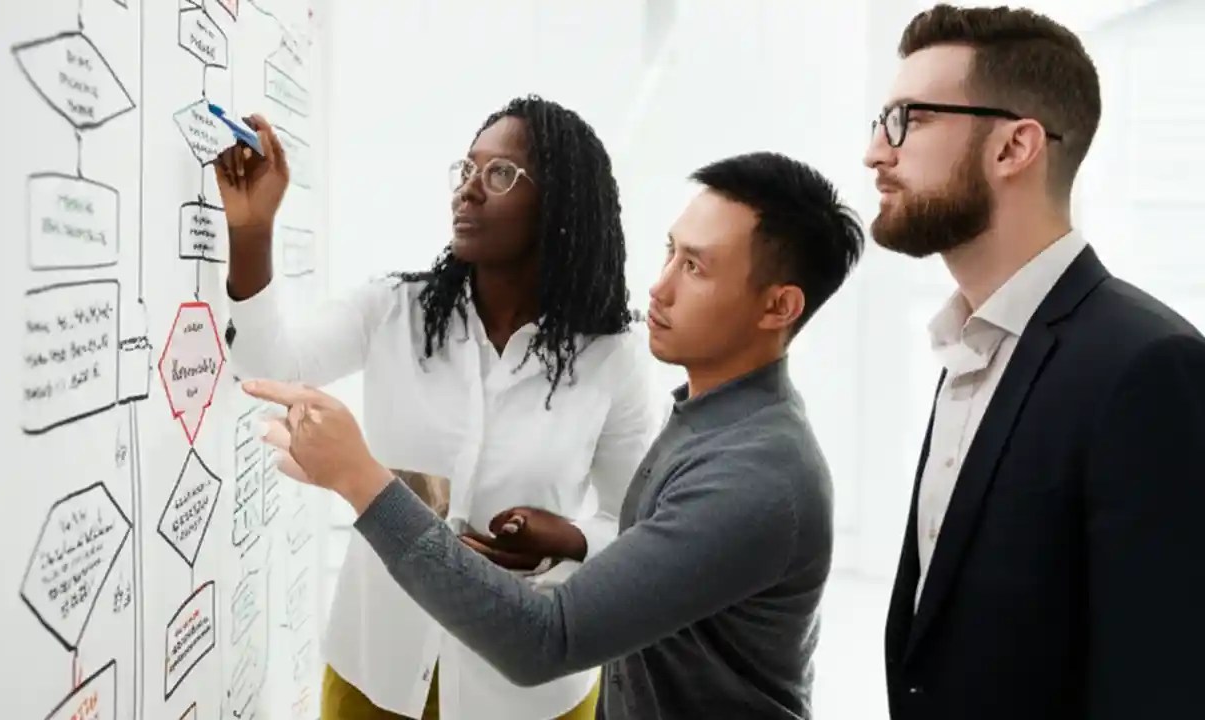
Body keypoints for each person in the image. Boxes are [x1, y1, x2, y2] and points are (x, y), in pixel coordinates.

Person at [243, 151, 867, 720]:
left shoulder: (752, 472)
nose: (660, 286)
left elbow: (550, 637)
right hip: (380, 659)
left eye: (696, 266)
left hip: (522, 696)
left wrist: (362, 481)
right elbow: (642, 548)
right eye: (670, 252)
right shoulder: (704, 420)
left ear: (778, 307)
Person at [216, 95, 659, 720]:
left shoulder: (611, 358)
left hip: (529, 697)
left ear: (560, 206)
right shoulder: (393, 310)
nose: (468, 191)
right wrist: (252, 231)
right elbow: (268, 369)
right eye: (466, 170)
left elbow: (635, 523)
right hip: (376, 672)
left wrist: (571, 536)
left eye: (499, 174)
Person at [863, 5, 1205, 719]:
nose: (876, 152)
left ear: (1014, 147)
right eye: (879, 122)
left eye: (909, 120)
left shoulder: (1146, 367)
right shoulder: (969, 347)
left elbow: (1159, 680)